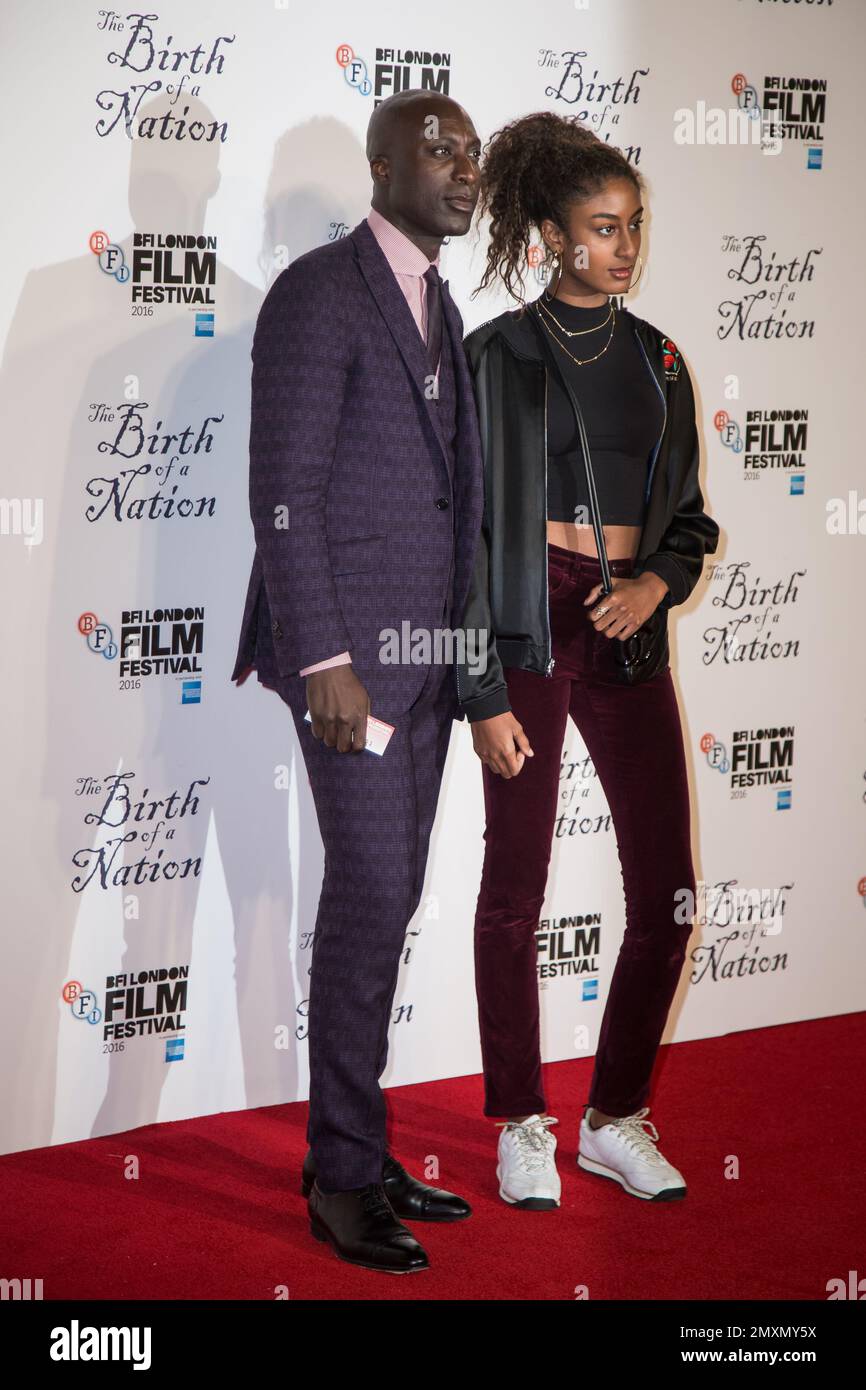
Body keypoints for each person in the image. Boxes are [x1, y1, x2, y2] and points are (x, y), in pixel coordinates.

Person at [231, 90, 485, 1272]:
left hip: (428, 664)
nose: (460, 168)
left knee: (379, 907)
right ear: (381, 163)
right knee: (372, 899)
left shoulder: (446, 305)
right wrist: (321, 655)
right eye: (436, 149)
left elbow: (459, 503)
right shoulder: (317, 292)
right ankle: (340, 1175)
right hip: (350, 670)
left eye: (471, 153)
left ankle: (357, 1141)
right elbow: (280, 487)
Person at [455, 112, 720, 1210]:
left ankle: (613, 1116)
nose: (624, 247)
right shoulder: (494, 354)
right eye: (603, 228)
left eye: (634, 227)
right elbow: (460, 530)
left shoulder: (658, 359)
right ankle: (521, 1116)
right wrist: (475, 689)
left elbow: (689, 523)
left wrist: (654, 583)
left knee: (667, 891)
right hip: (527, 622)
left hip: (627, 628)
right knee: (514, 885)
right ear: (551, 237)